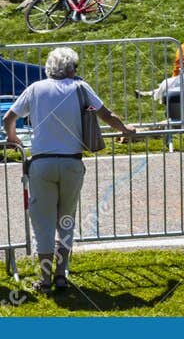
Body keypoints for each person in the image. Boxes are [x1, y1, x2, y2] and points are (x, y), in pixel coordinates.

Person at [4, 47, 139, 292]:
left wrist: (13, 138)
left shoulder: (35, 89)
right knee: (66, 219)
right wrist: (125, 130)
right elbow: (106, 115)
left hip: (41, 163)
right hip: (72, 163)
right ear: (70, 68)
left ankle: (44, 280)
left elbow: (9, 118)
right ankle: (61, 274)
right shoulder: (80, 88)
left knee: (42, 222)